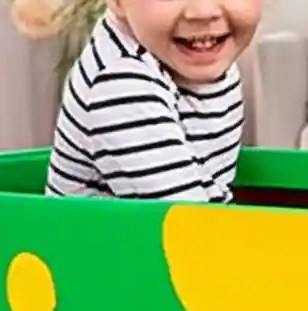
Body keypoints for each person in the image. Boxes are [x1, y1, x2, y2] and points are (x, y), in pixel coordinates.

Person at [45, 0, 261, 202]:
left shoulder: (206, 61)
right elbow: (188, 225)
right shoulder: (121, 85)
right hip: (105, 241)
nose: (203, 11)